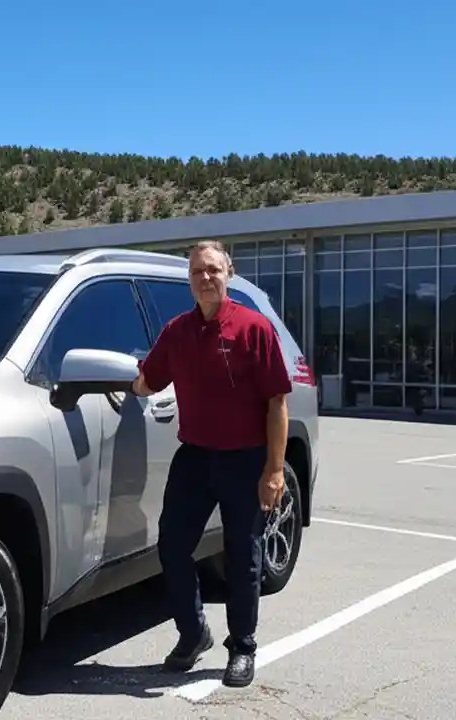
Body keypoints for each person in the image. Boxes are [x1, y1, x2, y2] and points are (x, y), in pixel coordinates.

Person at [129, 240, 292, 688]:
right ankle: (193, 632)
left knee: (243, 556)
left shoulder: (254, 329)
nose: (206, 278)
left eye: (213, 270)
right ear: (189, 278)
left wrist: (274, 470)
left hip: (245, 459)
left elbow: (277, 402)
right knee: (172, 545)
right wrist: (125, 385)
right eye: (198, 271)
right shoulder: (177, 332)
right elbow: (148, 380)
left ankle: (242, 647)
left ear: (229, 273)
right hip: (195, 458)